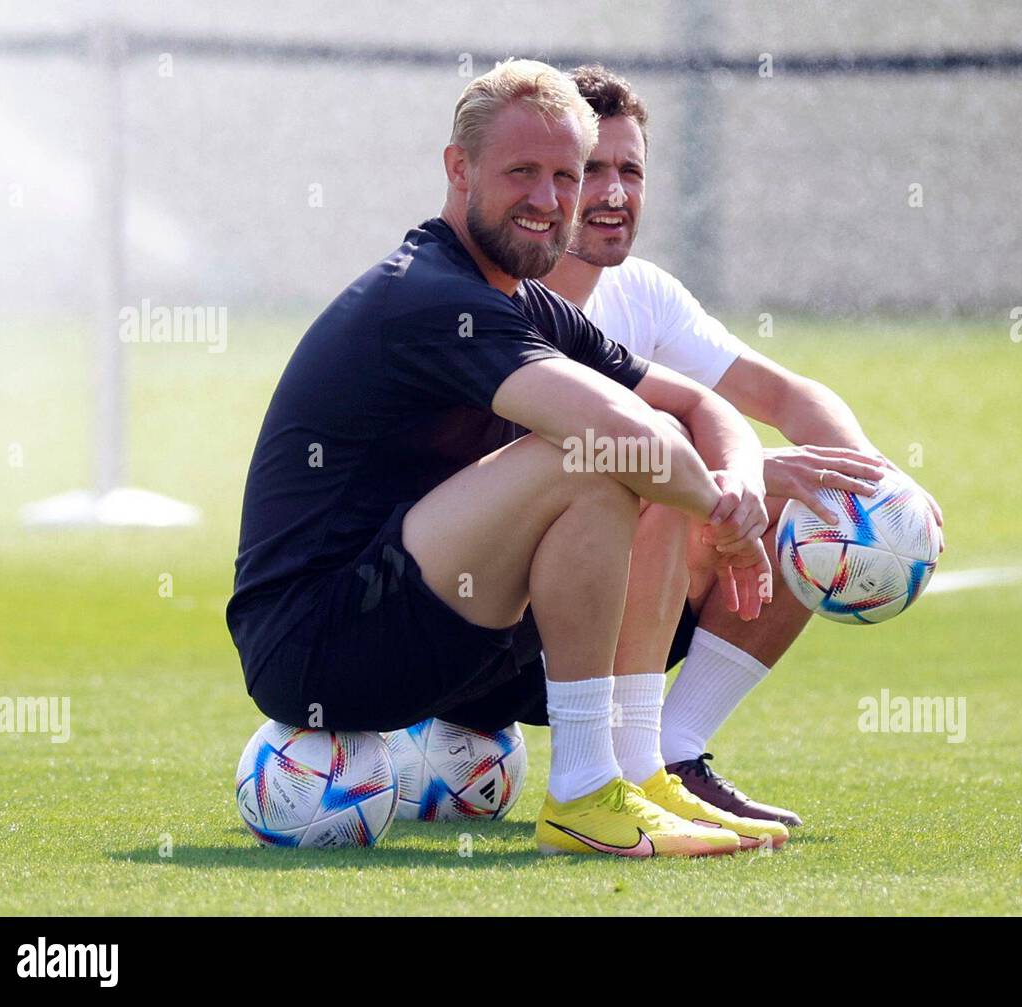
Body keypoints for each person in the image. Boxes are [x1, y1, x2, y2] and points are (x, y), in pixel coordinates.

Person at [226, 60, 787, 857]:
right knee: (599, 460)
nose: (550, 198)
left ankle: (636, 769)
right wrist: (726, 523)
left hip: (442, 635)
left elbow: (699, 406)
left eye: (568, 175)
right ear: (458, 169)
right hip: (319, 646)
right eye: (521, 171)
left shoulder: (528, 302)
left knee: (646, 467)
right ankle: (585, 794)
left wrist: (733, 484)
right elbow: (620, 433)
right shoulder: (427, 296)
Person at [538, 65, 945, 827]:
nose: (615, 193)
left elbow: (787, 395)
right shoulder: (498, 304)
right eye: (591, 170)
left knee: (811, 507)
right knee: (663, 467)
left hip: (626, 619)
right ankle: (485, 736)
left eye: (631, 170)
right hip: (514, 623)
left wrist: (873, 481)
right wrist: (740, 474)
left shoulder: (645, 294)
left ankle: (669, 756)